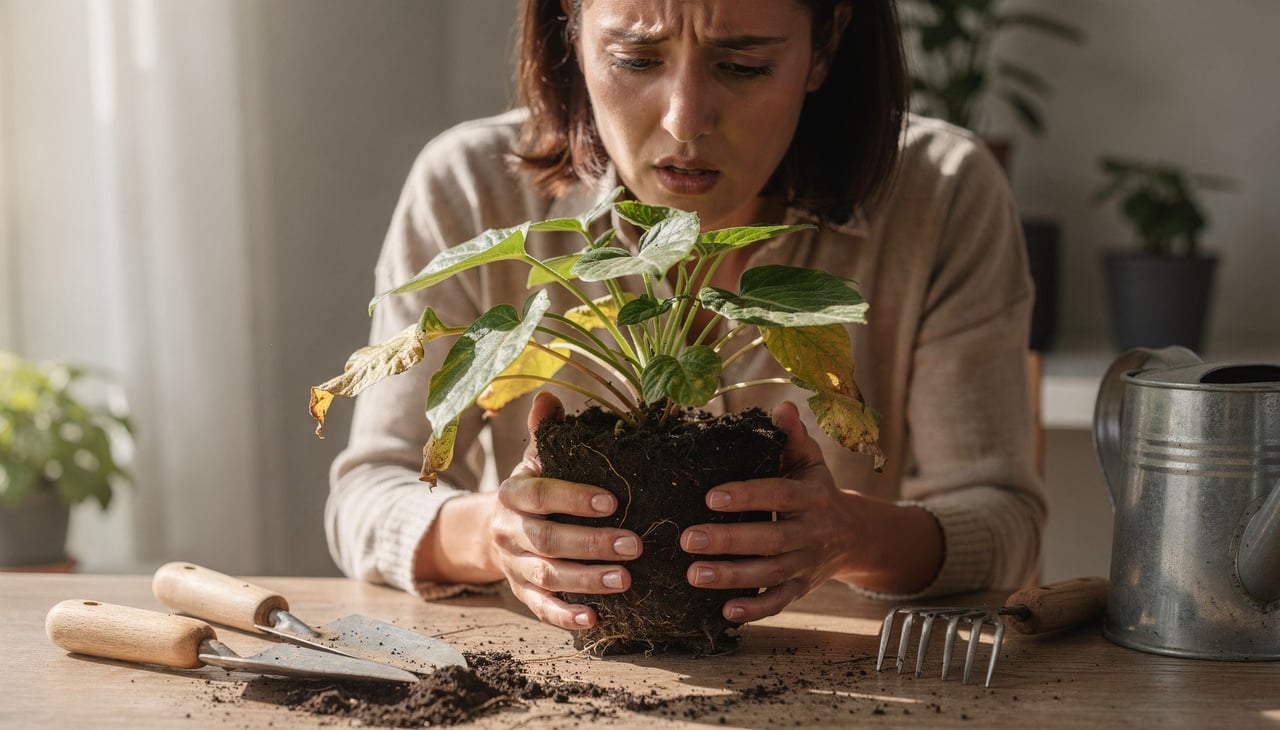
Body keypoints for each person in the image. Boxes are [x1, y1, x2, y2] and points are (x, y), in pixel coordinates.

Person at [326, 0, 1046, 632]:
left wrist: (849, 534)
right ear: (570, 32)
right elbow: (367, 494)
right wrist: (499, 532)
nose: (685, 119)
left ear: (824, 46)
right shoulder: (473, 185)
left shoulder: (942, 195)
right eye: (636, 59)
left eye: (741, 65)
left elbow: (1003, 517)